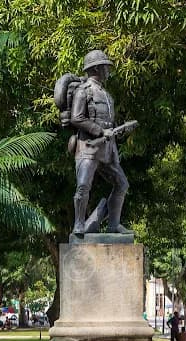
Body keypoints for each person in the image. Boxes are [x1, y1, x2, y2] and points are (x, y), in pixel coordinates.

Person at [69, 50, 134, 236]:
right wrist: (99, 130)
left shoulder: (106, 94)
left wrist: (120, 132)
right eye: (106, 67)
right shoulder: (84, 91)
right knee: (83, 185)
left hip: (108, 149)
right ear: (96, 68)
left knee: (122, 184)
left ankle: (114, 225)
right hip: (88, 147)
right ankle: (79, 224)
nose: (108, 70)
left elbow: (109, 123)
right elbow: (77, 117)